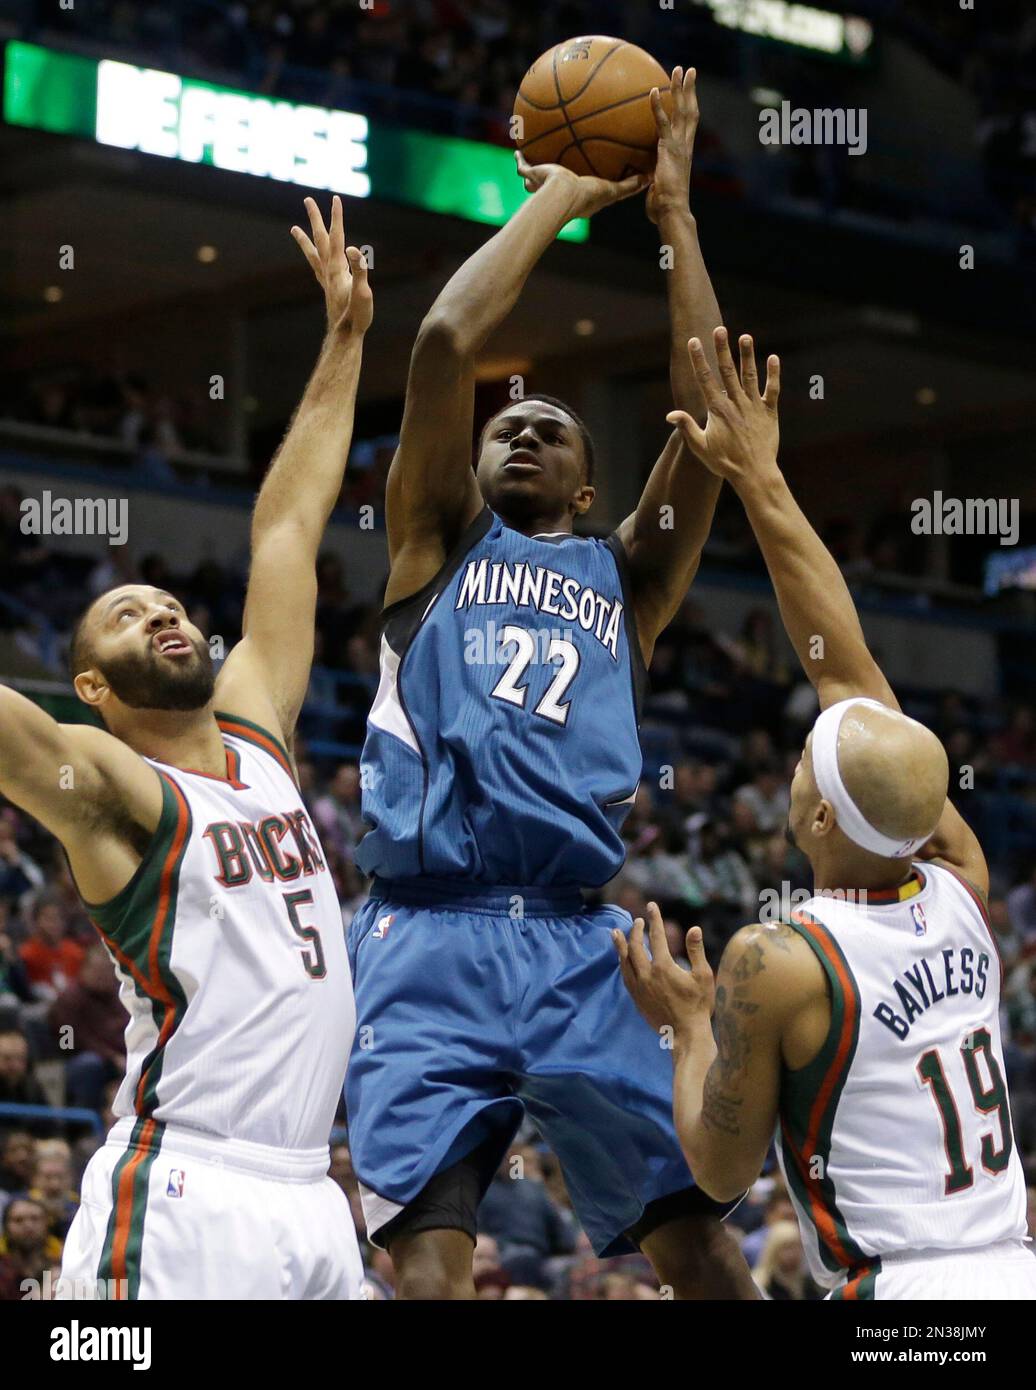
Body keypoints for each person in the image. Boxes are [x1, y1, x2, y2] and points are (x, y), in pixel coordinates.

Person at [346, 69, 755, 1300]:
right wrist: (564, 199)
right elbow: (441, 342)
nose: (523, 426)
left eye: (556, 428)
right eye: (506, 424)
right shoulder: (433, 538)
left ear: (588, 488)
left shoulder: (624, 579)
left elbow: (711, 419)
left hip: (586, 943)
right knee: (427, 1264)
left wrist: (673, 218)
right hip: (424, 933)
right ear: (467, 465)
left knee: (700, 1249)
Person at [0, 196, 372, 1301]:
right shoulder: (115, 787)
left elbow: (288, 527)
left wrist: (345, 341)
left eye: (166, 601)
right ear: (94, 688)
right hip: (182, 1193)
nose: (162, 614)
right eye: (126, 617)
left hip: (313, 1190)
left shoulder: (258, 730)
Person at [616, 327, 1036, 1300]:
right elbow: (847, 675)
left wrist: (684, 1027)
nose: (803, 749)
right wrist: (759, 477)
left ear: (816, 822)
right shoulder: (962, 885)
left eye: (809, 759)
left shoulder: (777, 959)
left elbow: (720, 1173)